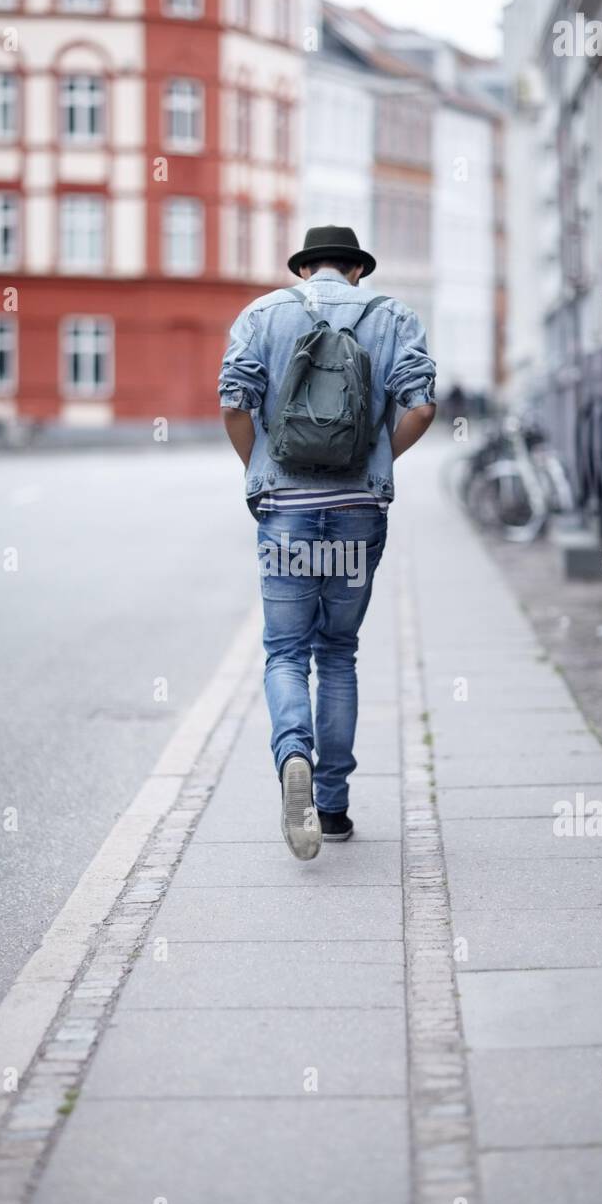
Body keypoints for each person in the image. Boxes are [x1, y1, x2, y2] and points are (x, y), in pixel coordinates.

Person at [218, 225, 436, 861]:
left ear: (306, 269)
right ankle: (334, 809)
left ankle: (294, 757)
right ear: (356, 271)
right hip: (355, 513)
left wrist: (258, 470)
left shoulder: (262, 315)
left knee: (287, 651)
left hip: (286, 512)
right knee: (338, 652)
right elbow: (421, 406)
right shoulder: (392, 316)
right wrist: (378, 460)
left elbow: (234, 401)